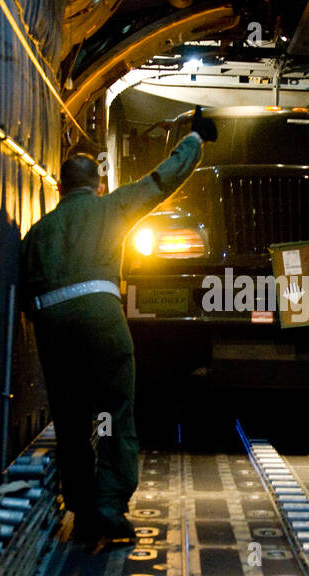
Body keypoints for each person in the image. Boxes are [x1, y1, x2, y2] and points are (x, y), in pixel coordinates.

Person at [21, 108, 218, 546]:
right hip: (101, 320)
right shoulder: (114, 207)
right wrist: (195, 140)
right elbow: (162, 180)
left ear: (59, 187)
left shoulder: (37, 231)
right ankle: (110, 505)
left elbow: (23, 288)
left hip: (53, 326)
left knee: (71, 419)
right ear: (99, 185)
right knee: (114, 410)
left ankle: (80, 506)